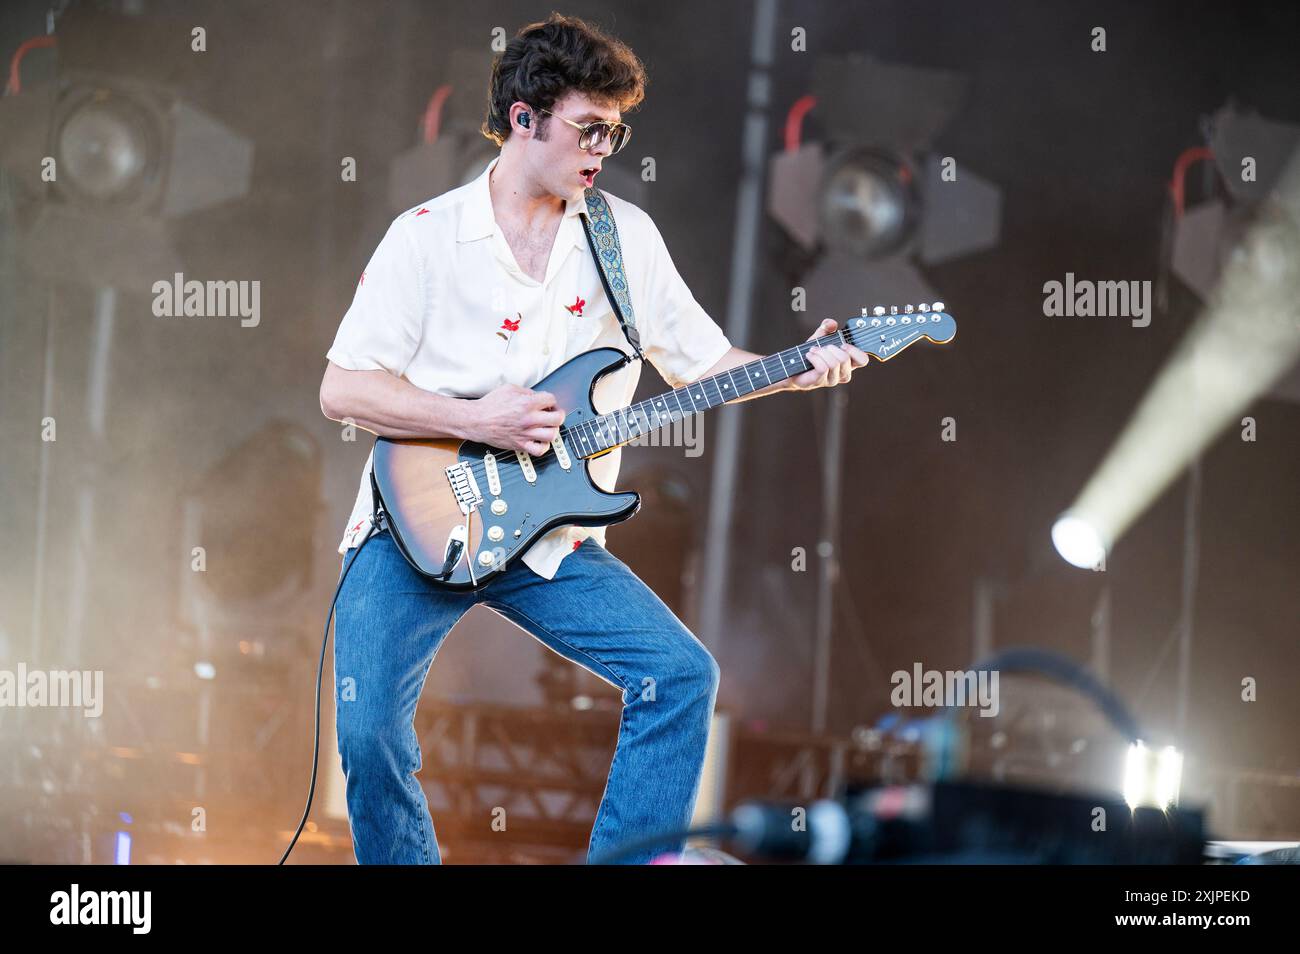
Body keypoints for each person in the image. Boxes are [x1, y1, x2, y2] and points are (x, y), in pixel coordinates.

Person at [318, 13, 866, 865]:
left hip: (550, 535)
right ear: (526, 117)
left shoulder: (623, 238)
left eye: (617, 129)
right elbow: (343, 388)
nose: (604, 145)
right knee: (366, 733)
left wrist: (802, 364)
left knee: (681, 678)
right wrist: (476, 419)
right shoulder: (425, 237)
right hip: (412, 525)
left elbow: (707, 362)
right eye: (589, 126)